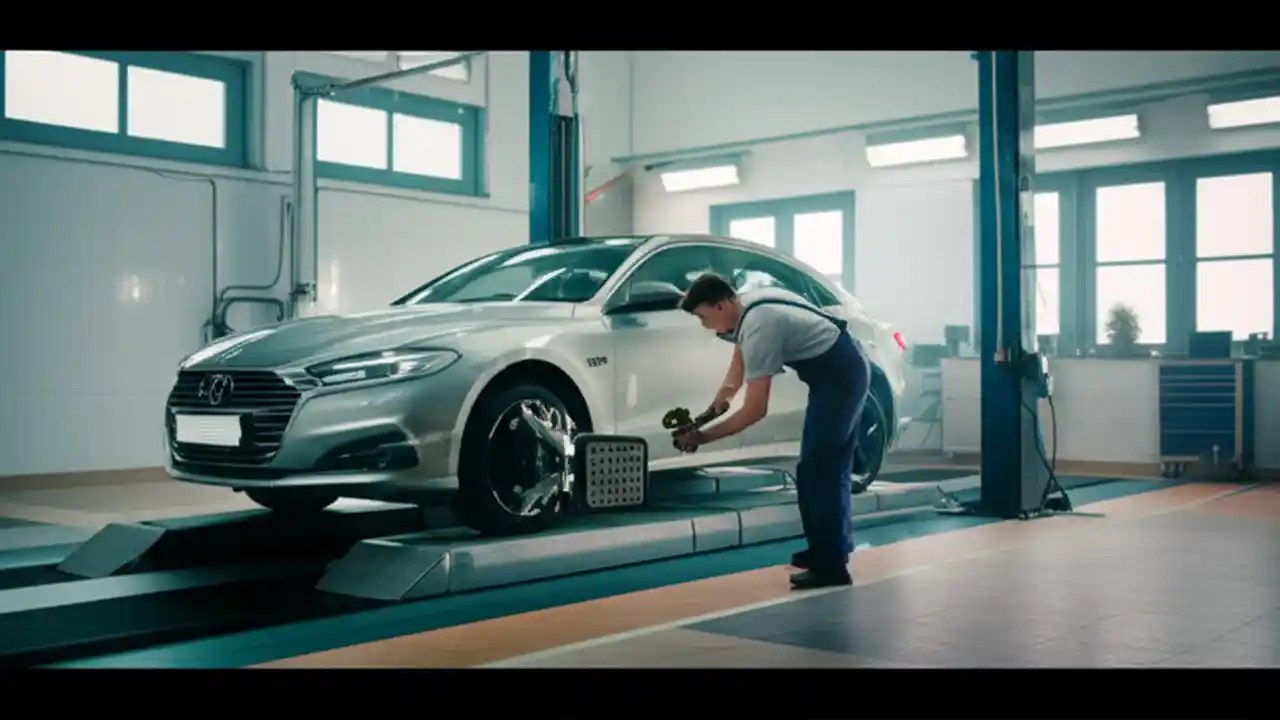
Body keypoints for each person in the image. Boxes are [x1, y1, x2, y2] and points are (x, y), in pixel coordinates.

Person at [673, 273, 870, 589]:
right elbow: (733, 381)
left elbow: (754, 411)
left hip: (841, 377)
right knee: (827, 466)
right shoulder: (749, 306)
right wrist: (703, 418)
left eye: (702, 316)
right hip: (840, 369)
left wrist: (702, 439)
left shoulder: (759, 328)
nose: (702, 324)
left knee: (820, 469)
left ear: (721, 305)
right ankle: (829, 549)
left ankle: (830, 566)